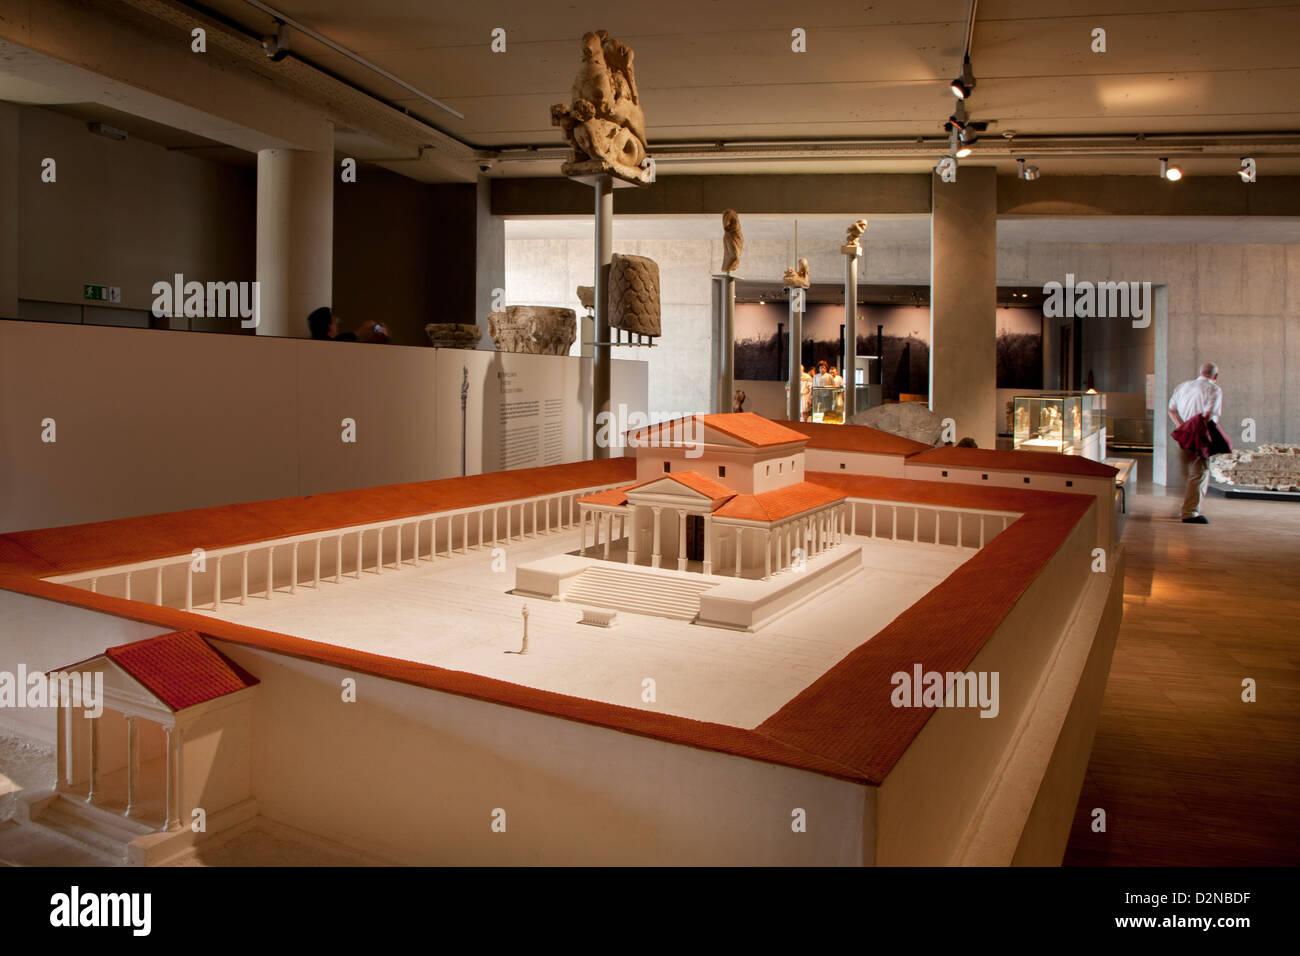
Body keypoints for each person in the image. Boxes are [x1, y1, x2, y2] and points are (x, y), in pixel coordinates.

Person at [1167, 362, 1223, 524]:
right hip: (1200, 436)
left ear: (1199, 372)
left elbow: (1172, 410)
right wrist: (1196, 430)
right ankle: (1190, 512)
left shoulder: (1183, 386)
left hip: (1184, 435)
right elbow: (1207, 414)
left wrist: (1183, 427)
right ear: (1215, 376)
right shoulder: (1214, 389)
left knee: (1187, 473)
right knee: (1200, 472)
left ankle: (1183, 507)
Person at [307, 306, 382, 342]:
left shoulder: (313, 344)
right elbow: (340, 339)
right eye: (334, 321)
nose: (337, 324)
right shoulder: (332, 343)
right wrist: (360, 332)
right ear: (329, 326)